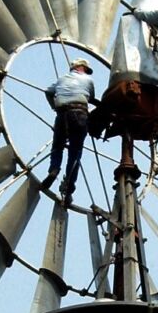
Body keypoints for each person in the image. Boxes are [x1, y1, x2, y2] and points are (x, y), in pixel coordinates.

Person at [41, 57, 96, 206]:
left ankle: (53, 170)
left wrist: (54, 106)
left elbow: (47, 91)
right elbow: (91, 98)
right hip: (79, 114)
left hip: (61, 114)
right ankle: (69, 187)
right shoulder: (88, 80)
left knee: (57, 146)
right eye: (85, 68)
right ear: (82, 68)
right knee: (75, 152)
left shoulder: (61, 79)